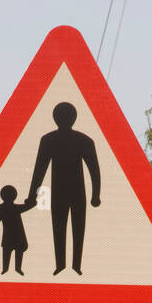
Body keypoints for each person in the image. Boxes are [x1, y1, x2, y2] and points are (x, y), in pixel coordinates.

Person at [25, 102, 101, 275]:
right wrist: (32, 197)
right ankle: (64, 265)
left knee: (72, 228)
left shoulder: (81, 141)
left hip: (71, 192)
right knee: (63, 227)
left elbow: (94, 169)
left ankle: (74, 265)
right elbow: (39, 170)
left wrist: (96, 195)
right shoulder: (53, 140)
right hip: (63, 192)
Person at [0, 184, 34, 274]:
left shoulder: (5, 208)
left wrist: (31, 202)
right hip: (10, 235)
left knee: (17, 251)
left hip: (16, 235)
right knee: (7, 251)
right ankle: (5, 269)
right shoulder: (2, 209)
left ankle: (17, 268)